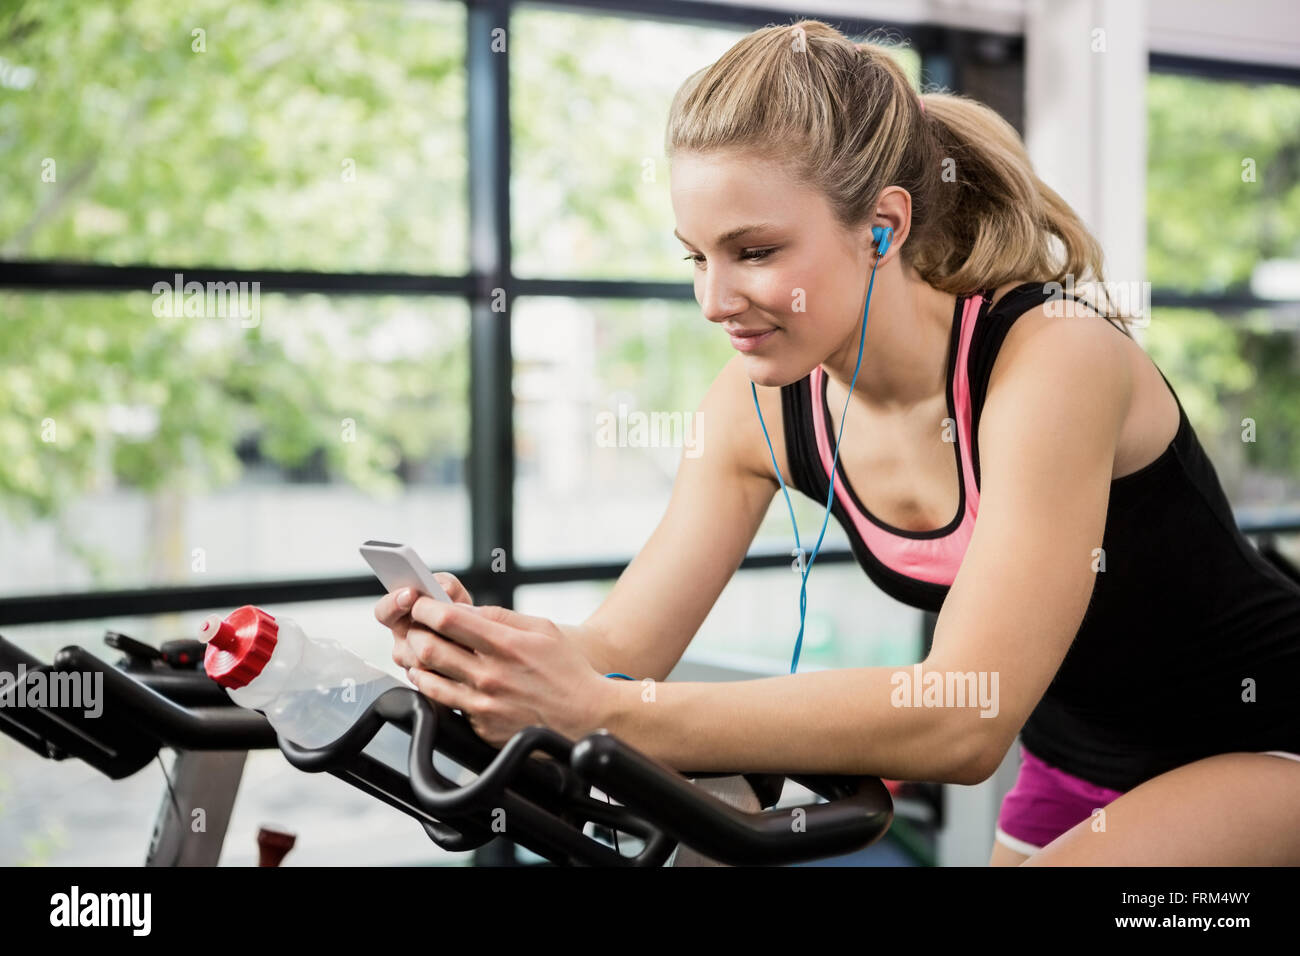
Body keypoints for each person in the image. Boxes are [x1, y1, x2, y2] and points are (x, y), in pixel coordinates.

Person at [375, 19, 1300, 866]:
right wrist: (488, 654)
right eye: (696, 256)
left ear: (883, 226)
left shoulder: (1051, 361)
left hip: (1261, 739)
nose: (715, 299)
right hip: (1073, 766)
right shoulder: (757, 404)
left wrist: (613, 713)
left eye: (756, 251)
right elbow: (623, 647)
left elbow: (966, 716)